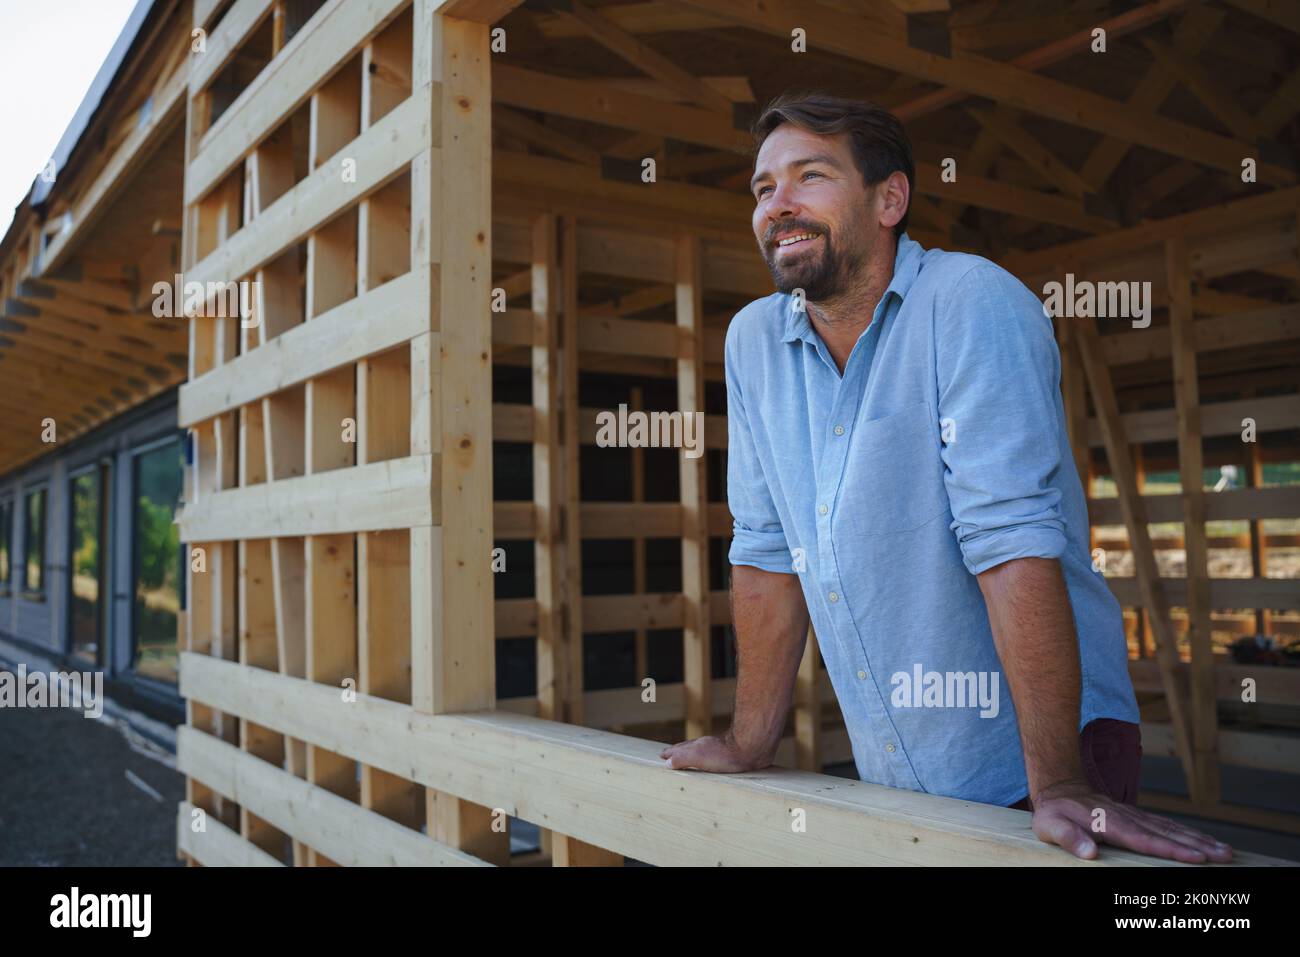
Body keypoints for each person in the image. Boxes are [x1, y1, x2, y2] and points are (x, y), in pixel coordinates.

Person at [660, 92, 1231, 864]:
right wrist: (748, 740)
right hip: (897, 760)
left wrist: (1060, 781)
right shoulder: (753, 342)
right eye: (763, 189)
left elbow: (1011, 544)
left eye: (810, 177)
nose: (778, 205)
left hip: (1040, 751)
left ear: (890, 198)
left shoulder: (970, 303)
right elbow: (766, 551)